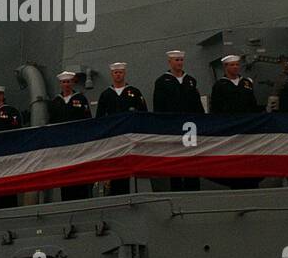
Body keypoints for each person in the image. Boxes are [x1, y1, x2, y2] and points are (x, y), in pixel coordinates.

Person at [153, 49, 205, 191]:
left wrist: (203, 122)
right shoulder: (162, 82)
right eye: (176, 60)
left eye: (181, 60)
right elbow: (159, 106)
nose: (179, 63)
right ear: (170, 62)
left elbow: (197, 105)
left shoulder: (190, 81)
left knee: (192, 159)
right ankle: (177, 190)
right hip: (173, 127)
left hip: (190, 127)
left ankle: (193, 189)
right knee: (175, 160)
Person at [96, 62, 147, 195]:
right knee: (115, 169)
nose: (118, 75)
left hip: (130, 138)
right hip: (113, 139)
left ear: (124, 73)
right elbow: (99, 119)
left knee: (130, 168)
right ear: (112, 74)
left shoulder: (134, 92)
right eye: (115, 72)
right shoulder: (106, 95)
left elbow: (143, 113)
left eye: (120, 72)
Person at [210, 54, 260, 189]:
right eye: (232, 65)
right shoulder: (220, 85)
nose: (235, 67)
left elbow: (253, 105)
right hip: (230, 127)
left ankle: (251, 179)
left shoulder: (246, 83)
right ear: (225, 67)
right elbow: (216, 108)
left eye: (237, 64)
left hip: (247, 127)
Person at [49, 71, 93, 201]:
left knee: (80, 174)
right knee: (65, 175)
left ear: (72, 82)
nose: (66, 84)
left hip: (79, 142)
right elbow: (52, 123)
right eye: (64, 82)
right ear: (60, 84)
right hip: (63, 146)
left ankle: (83, 198)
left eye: (68, 82)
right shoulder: (56, 102)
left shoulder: (80, 99)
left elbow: (87, 120)